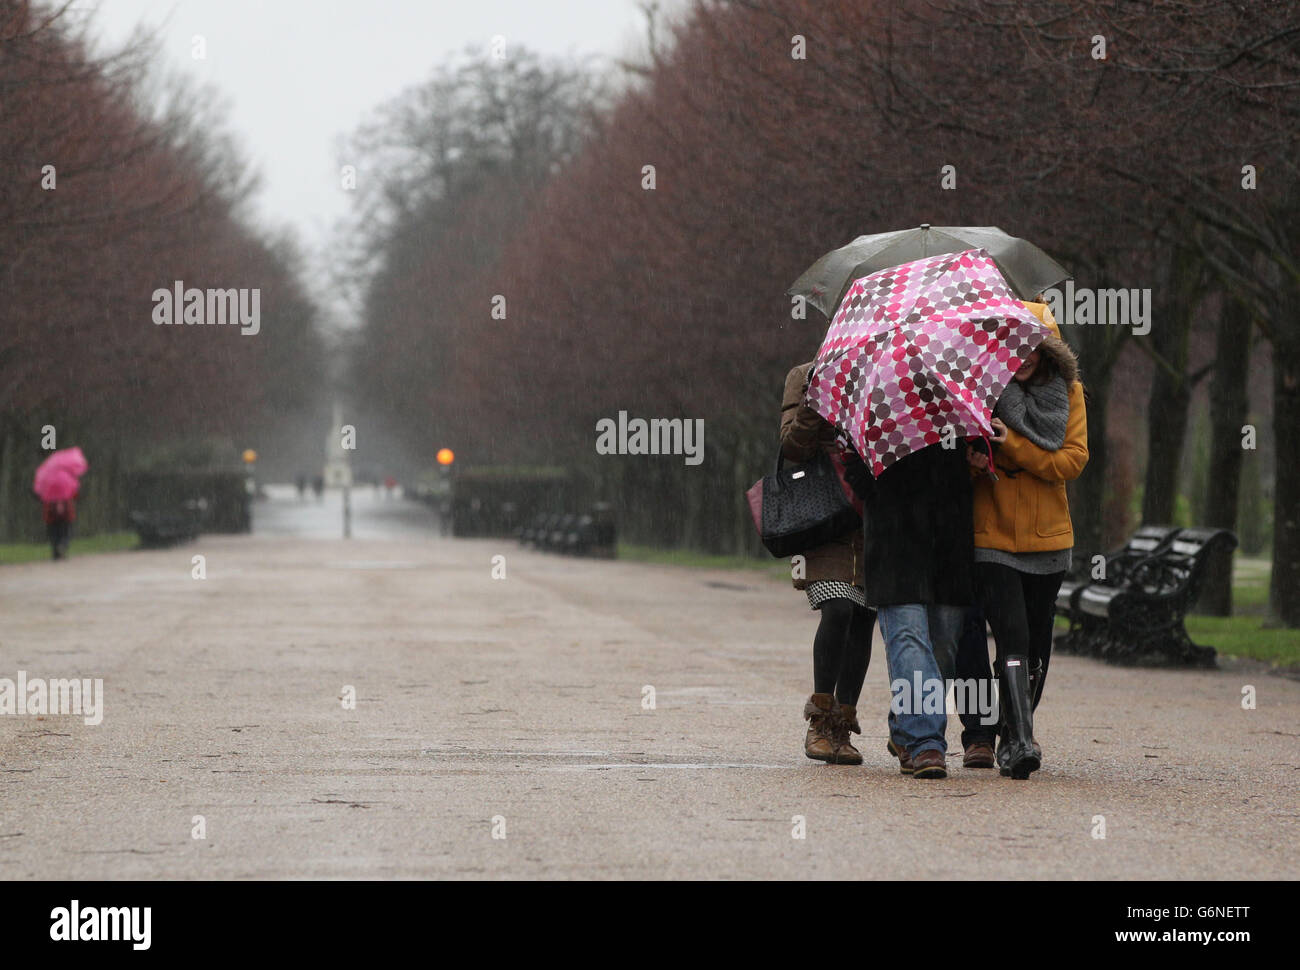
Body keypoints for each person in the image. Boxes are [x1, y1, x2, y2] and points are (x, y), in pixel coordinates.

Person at [965, 301, 1089, 779]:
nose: (1022, 357)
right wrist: (973, 463)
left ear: (1047, 347)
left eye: (1030, 347)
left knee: (1037, 646)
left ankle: (1013, 729)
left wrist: (1010, 445)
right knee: (1012, 636)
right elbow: (957, 449)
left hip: (1048, 541)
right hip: (992, 534)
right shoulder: (978, 389)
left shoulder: (1069, 393)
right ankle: (1019, 742)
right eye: (1011, 347)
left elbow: (1071, 461)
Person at [843, 432, 974, 780]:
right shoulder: (874, 405)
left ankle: (905, 727)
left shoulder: (957, 399)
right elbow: (854, 467)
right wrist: (881, 485)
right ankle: (924, 742)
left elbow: (980, 458)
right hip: (893, 539)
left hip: (949, 538)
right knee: (908, 638)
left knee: (943, 645)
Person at [781, 362, 876, 765]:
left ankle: (843, 724)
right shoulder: (805, 375)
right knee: (838, 610)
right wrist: (815, 402)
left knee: (863, 619)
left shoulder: (889, 372)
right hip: (823, 520)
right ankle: (820, 721)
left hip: (874, 520)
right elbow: (791, 446)